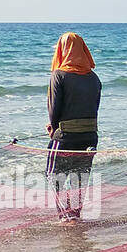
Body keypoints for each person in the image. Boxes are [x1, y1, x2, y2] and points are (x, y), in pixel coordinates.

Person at [46, 32, 101, 222]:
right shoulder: (94, 78)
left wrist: (53, 128)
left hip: (65, 136)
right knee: (79, 179)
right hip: (90, 136)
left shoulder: (59, 75)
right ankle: (75, 215)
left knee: (53, 176)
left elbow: (54, 109)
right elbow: (94, 108)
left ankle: (64, 217)